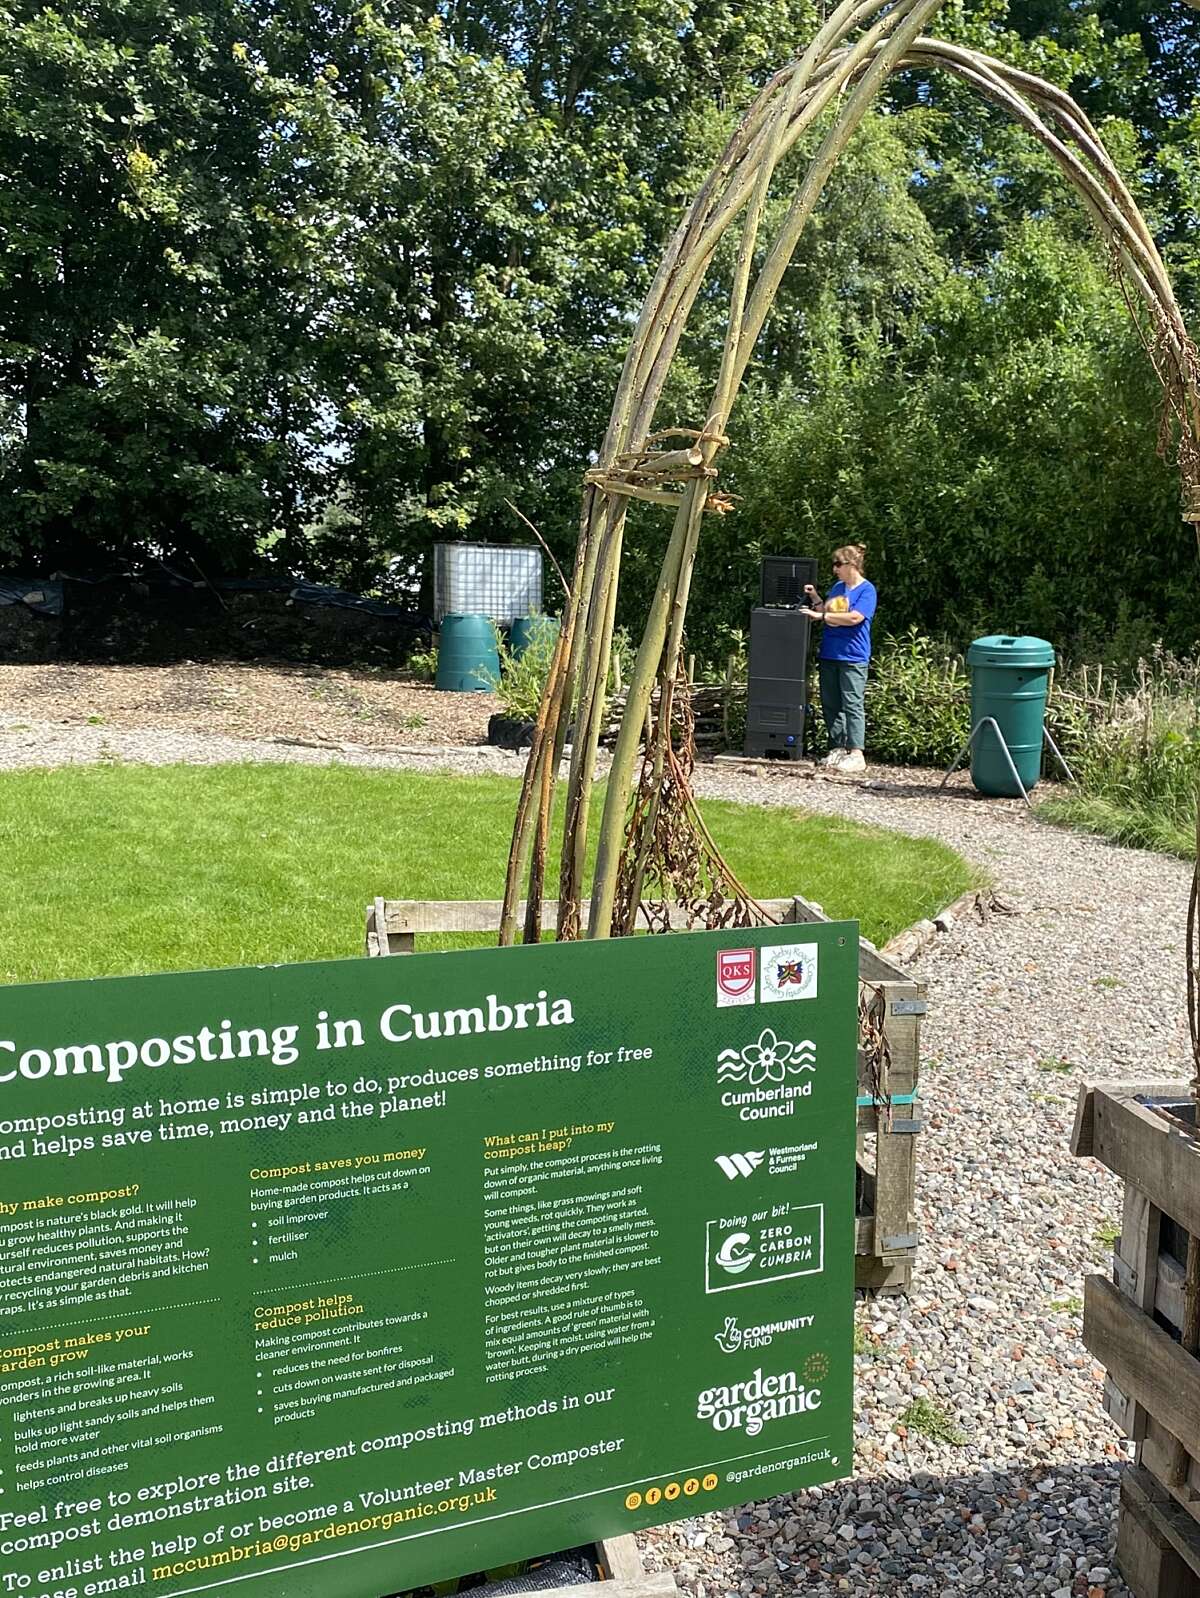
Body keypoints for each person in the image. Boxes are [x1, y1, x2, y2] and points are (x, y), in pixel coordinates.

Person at [800, 544, 876, 773]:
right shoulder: (838, 587)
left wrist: (823, 616)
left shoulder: (866, 590)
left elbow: (854, 617)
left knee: (852, 703)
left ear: (851, 565)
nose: (835, 569)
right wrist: (814, 598)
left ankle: (856, 753)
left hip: (853, 656)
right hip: (830, 653)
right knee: (831, 703)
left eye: (838, 565)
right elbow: (830, 612)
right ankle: (837, 748)